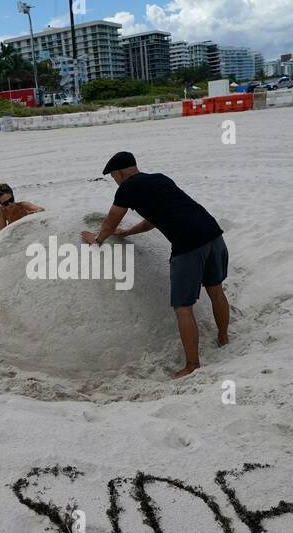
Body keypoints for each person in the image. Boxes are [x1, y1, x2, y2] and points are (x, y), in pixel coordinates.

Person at [80, 151, 229, 378]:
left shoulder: (127, 188)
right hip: (213, 234)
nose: (115, 180)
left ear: (119, 173)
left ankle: (192, 365)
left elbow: (112, 218)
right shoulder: (160, 179)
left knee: (182, 307)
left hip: (188, 245)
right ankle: (223, 338)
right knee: (216, 291)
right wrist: (129, 232)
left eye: (113, 176)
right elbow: (153, 219)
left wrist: (98, 239)